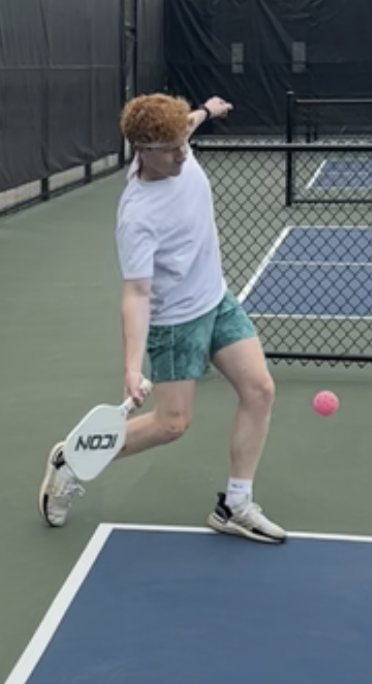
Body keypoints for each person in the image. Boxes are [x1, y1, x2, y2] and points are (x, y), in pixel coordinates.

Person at [37, 91, 286, 544]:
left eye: (182, 142)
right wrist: (132, 368)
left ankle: (235, 504)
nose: (182, 153)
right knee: (172, 424)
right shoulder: (138, 216)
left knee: (260, 389)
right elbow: (136, 293)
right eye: (170, 149)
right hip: (175, 322)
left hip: (216, 297)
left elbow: (186, 123)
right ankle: (73, 460)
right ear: (143, 151)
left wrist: (208, 111)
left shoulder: (177, 139)